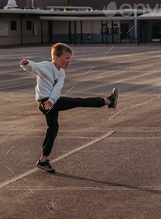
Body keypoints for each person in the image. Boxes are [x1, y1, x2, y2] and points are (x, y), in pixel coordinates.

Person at [20, 42, 118, 173]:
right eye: (66, 58)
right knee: (78, 101)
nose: (69, 61)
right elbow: (34, 67)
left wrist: (52, 100)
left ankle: (44, 160)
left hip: (51, 101)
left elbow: (57, 89)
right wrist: (26, 63)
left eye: (69, 58)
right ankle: (107, 101)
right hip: (44, 102)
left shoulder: (61, 73)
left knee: (53, 128)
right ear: (55, 58)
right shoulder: (46, 66)